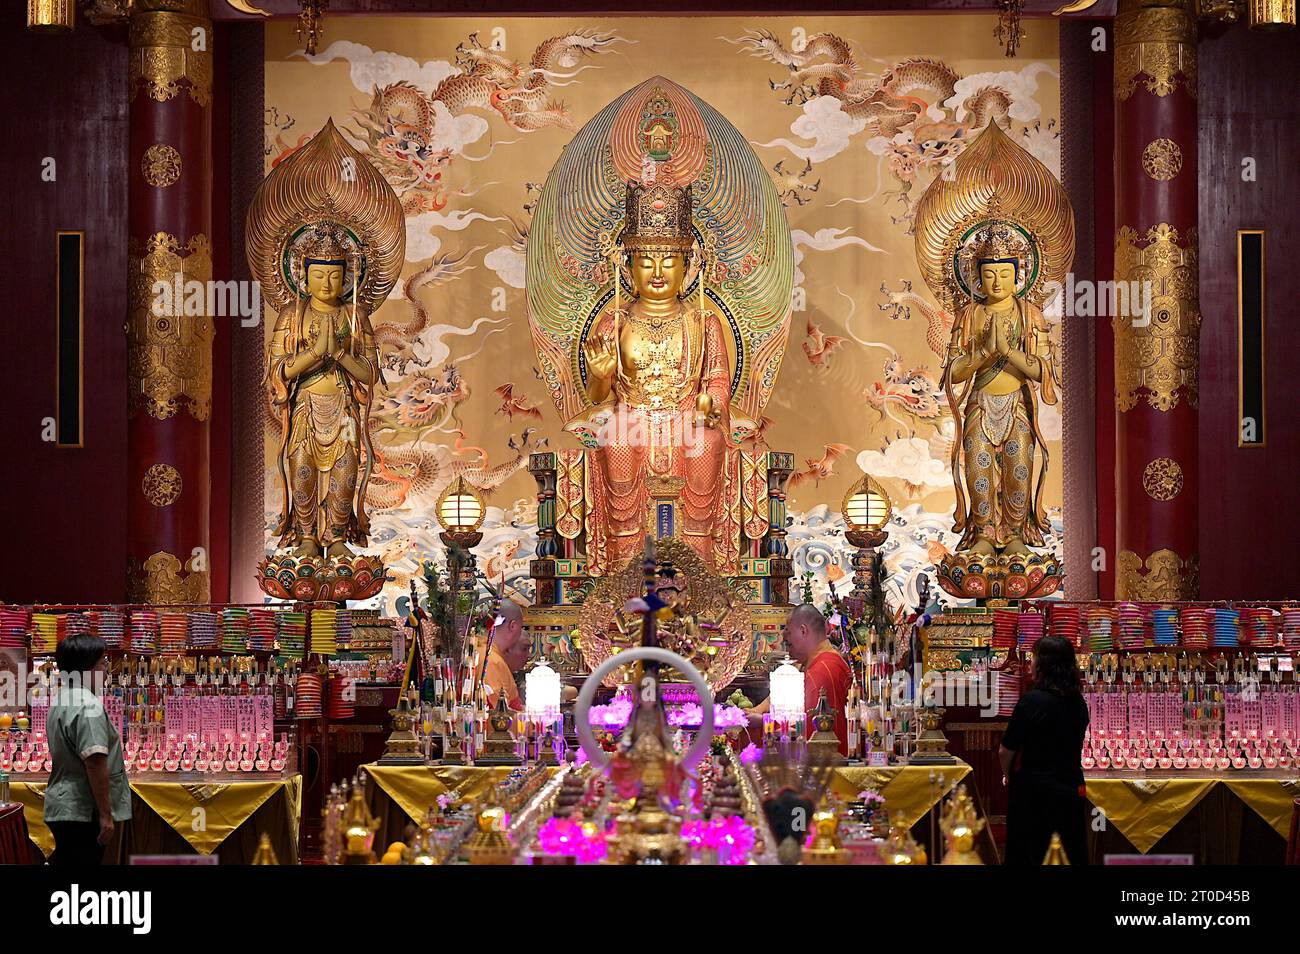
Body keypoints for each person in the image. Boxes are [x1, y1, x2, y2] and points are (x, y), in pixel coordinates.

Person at [999, 634, 1089, 865]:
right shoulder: (1078, 702)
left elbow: (1006, 750)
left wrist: (1009, 775)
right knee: (1069, 849)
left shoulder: (1031, 701)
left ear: (1043, 664)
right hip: (1070, 786)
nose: (1030, 664)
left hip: (1034, 791)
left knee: (1031, 851)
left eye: (1033, 658)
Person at [44, 633, 131, 865]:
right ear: (87, 668)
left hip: (64, 805)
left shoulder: (63, 699)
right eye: (102, 663)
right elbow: (94, 760)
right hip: (83, 810)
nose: (106, 670)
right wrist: (105, 814)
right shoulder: (87, 704)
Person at [746, 604, 853, 755]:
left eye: (788, 630)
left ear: (803, 631)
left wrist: (764, 722)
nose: (783, 635)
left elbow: (809, 731)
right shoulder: (824, 661)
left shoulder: (821, 671)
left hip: (823, 764)